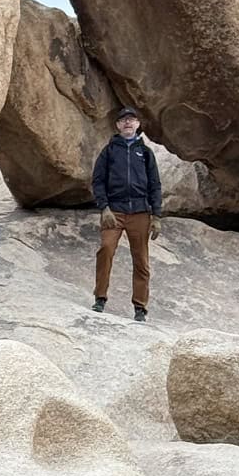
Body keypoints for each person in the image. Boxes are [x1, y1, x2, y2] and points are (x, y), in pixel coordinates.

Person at [90, 106, 162, 322]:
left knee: (141, 259)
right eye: (123, 121)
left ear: (138, 124)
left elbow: (155, 185)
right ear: (117, 126)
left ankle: (140, 307)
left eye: (131, 120)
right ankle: (100, 298)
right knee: (106, 250)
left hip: (140, 212)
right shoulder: (109, 151)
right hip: (115, 211)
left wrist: (156, 216)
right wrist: (104, 208)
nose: (128, 123)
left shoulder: (146, 153)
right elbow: (98, 180)